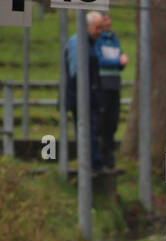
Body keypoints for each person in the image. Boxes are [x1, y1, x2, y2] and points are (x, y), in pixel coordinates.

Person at [63, 13, 106, 175]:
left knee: (93, 132)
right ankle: (90, 165)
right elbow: (76, 74)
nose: (100, 31)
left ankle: (94, 164)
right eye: (97, 28)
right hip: (81, 99)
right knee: (87, 132)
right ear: (87, 26)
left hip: (89, 98)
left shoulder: (88, 43)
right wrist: (82, 98)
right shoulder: (78, 43)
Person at [92, 12, 128, 172]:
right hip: (103, 84)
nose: (108, 22)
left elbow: (119, 60)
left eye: (109, 19)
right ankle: (99, 157)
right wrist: (117, 61)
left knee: (112, 123)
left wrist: (122, 63)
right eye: (105, 20)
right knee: (102, 121)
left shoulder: (114, 38)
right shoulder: (98, 39)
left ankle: (109, 158)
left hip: (114, 84)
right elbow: (99, 59)